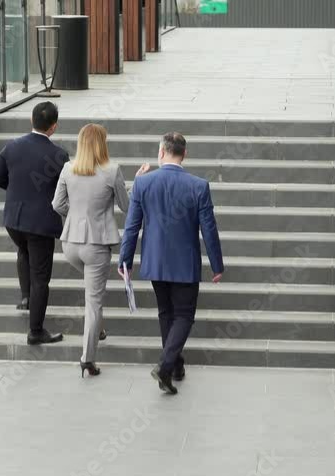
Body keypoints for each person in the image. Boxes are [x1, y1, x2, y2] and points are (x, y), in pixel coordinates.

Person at [118, 132, 224, 395]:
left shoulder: (143, 184)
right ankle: (166, 366)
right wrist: (217, 264)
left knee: (166, 313)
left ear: (162, 152)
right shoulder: (198, 185)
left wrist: (125, 259)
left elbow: (131, 227)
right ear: (184, 154)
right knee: (185, 315)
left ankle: (175, 365)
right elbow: (209, 229)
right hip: (185, 263)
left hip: (155, 260)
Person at [52, 124, 134, 378]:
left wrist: (75, 217)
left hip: (70, 245)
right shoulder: (112, 171)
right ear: (102, 143)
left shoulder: (68, 168)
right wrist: (137, 183)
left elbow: (57, 204)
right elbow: (126, 206)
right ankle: (88, 357)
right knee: (93, 300)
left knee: (93, 295)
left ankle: (97, 329)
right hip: (96, 244)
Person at [0, 101, 70, 345]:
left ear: (31, 121)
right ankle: (36, 331)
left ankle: (25, 298)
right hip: (41, 223)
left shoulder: (12, 146)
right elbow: (63, 190)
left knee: (23, 252)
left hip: (13, 219)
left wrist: (16, 191)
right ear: (53, 127)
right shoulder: (59, 155)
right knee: (41, 278)